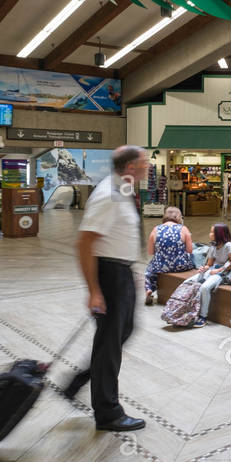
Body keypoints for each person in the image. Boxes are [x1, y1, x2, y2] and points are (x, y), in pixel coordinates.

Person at [65, 145, 148, 432]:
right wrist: (94, 290)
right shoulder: (109, 195)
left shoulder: (122, 191)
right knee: (110, 342)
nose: (148, 166)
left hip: (120, 273)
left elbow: (117, 235)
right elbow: (85, 242)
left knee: (120, 334)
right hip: (110, 276)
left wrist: (129, 268)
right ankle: (108, 412)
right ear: (130, 167)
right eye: (144, 163)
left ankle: (83, 380)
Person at [144, 206, 194, 305]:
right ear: (179, 217)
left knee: (149, 270)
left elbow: (150, 252)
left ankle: (149, 289)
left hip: (161, 266)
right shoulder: (183, 229)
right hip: (181, 265)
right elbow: (190, 250)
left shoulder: (156, 229)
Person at [194, 223, 231, 328]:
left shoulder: (228, 246)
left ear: (219, 234)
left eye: (212, 232)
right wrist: (204, 268)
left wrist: (219, 270)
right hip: (212, 270)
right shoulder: (213, 246)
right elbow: (209, 264)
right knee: (191, 282)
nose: (210, 234)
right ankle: (191, 312)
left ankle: (203, 316)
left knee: (204, 288)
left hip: (222, 273)